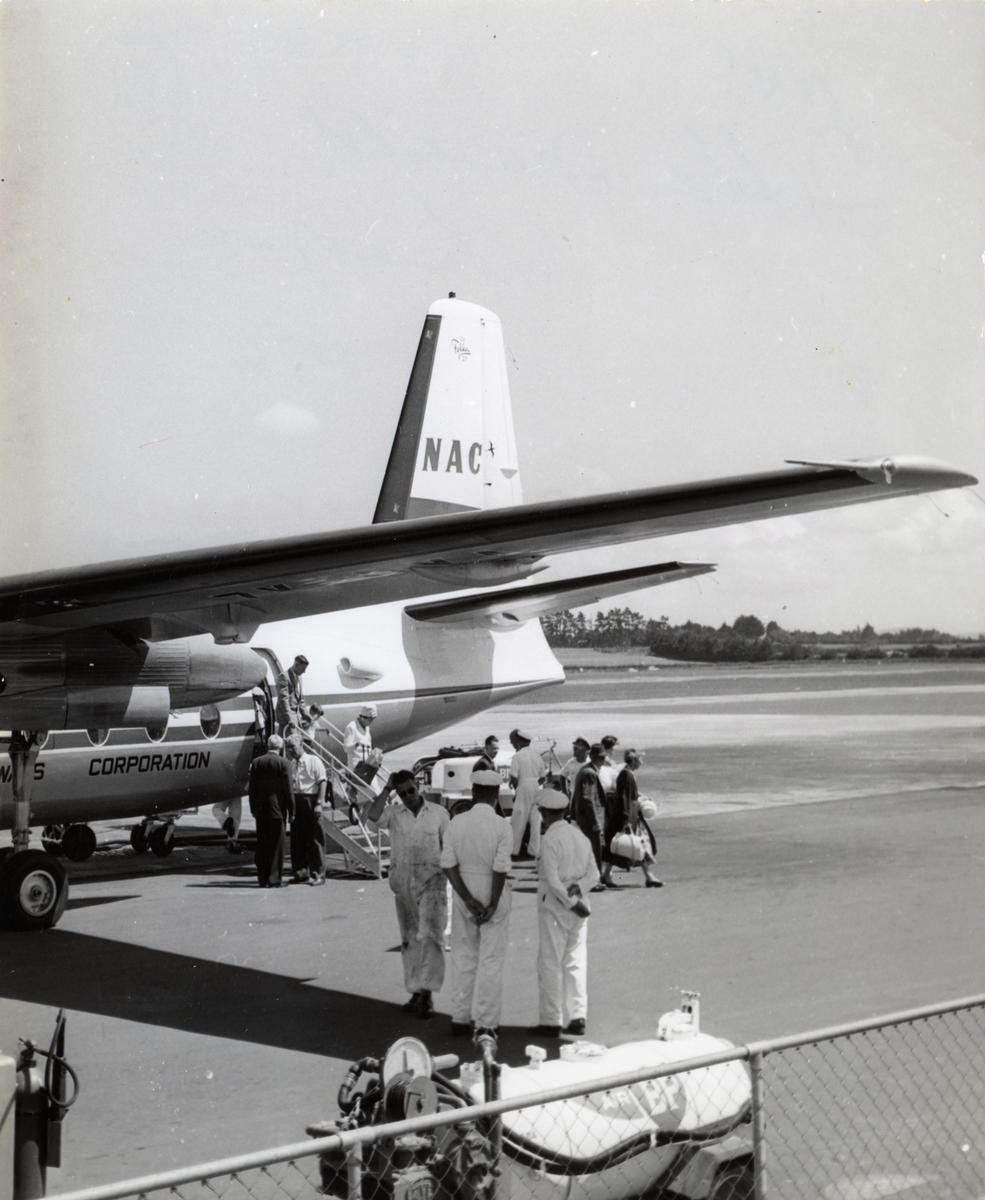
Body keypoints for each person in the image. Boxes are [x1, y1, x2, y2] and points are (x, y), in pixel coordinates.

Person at [366, 769, 450, 1017]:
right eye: (402, 793)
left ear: (418, 786)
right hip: (403, 882)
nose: (408, 796)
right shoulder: (394, 814)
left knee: (431, 937)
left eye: (411, 790)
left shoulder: (438, 814)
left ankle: (428, 994)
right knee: (410, 939)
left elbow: (449, 847)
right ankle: (415, 990)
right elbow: (373, 816)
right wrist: (386, 789)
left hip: (432, 881)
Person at [440, 769, 513, 1037]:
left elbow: (448, 864)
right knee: (491, 961)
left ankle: (460, 1017)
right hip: (493, 887)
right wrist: (492, 903)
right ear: (495, 795)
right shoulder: (502, 826)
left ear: (473, 793)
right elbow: (500, 867)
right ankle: (487, 1023)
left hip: (464, 887)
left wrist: (468, 899)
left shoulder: (456, 823)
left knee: (463, 956)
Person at [530, 785, 600, 1038]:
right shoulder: (580, 836)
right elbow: (594, 874)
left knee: (550, 963)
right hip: (580, 906)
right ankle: (578, 1016)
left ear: (545, 813)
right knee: (576, 961)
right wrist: (579, 890)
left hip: (555, 907)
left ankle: (551, 1020)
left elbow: (552, 880)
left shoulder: (550, 839)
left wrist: (570, 902)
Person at [601, 749, 663, 889]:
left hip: (630, 816)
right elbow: (624, 798)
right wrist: (626, 821)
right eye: (640, 759)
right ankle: (649, 877)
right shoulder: (626, 775)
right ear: (634, 760)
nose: (642, 762)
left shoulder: (627, 774)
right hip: (628, 817)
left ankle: (606, 874)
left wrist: (640, 796)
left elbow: (628, 794)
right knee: (639, 845)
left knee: (624, 847)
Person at [247, 734, 293, 888]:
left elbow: (252, 789)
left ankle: (262, 878)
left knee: (263, 844)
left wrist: (253, 808)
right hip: (278, 810)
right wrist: (292, 810)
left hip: (261, 810)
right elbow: (288, 789)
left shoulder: (257, 762)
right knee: (277, 846)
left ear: (268, 746)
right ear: (280, 747)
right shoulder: (284, 763)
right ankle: (274, 880)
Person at [286, 733, 329, 885]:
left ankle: (319, 874)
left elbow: (322, 781)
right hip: (297, 800)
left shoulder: (313, 760)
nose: (291, 750)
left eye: (293, 747)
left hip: (310, 799)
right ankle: (301, 873)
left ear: (301, 745)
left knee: (315, 838)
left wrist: (319, 803)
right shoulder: (292, 764)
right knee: (297, 839)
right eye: (288, 748)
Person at [571, 743, 608, 886]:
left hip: (584, 818)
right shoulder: (590, 773)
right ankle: (594, 881)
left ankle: (592, 880)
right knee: (594, 851)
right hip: (590, 820)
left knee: (589, 851)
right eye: (602, 758)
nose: (602, 761)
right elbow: (588, 798)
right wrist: (595, 822)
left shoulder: (585, 770)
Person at [508, 728, 545, 860]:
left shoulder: (517, 756)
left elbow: (513, 777)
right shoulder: (537, 756)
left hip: (523, 786)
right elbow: (543, 778)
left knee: (518, 819)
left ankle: (514, 850)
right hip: (536, 787)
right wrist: (534, 784)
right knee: (535, 821)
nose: (512, 744)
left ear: (520, 742)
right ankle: (534, 851)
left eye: (513, 741)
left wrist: (518, 789)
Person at [276, 655, 310, 734]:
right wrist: (290, 718)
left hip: (296, 718)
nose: (304, 671)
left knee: (297, 739)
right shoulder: (284, 676)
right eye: (303, 669)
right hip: (287, 719)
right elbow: (283, 700)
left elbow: (300, 700)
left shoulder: (299, 677)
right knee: (291, 740)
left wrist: (306, 715)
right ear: (296, 664)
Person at [598, 734, 620, 800]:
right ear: (611, 747)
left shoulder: (608, 761)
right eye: (615, 746)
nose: (616, 749)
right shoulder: (606, 762)